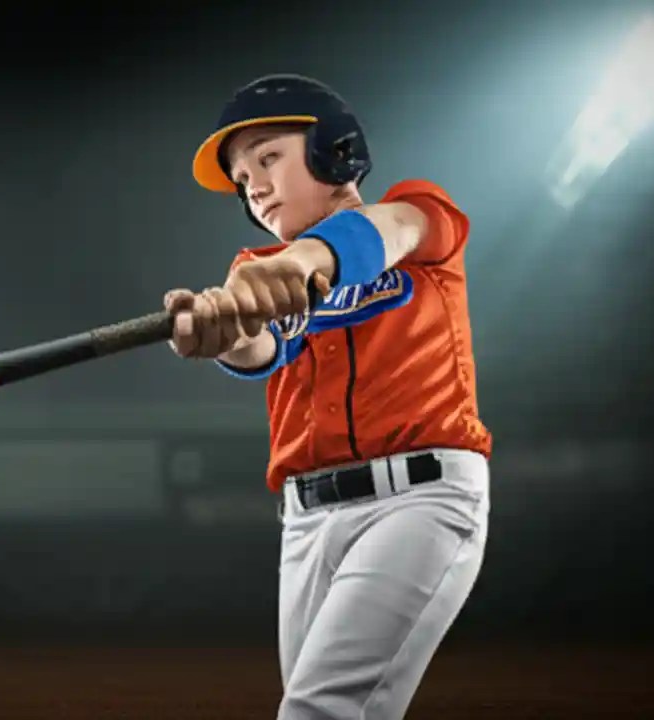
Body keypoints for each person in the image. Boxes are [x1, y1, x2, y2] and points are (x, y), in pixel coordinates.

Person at [165, 74, 493, 719]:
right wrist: (224, 335)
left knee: (319, 711)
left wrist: (292, 266)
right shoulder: (257, 267)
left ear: (335, 153)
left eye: (268, 157)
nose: (253, 185)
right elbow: (263, 349)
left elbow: (384, 234)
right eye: (241, 178)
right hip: (308, 519)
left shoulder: (418, 214)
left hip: (418, 500)